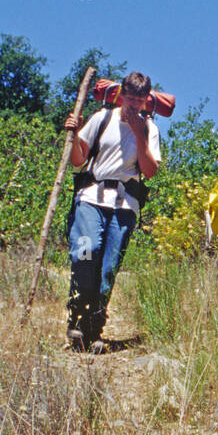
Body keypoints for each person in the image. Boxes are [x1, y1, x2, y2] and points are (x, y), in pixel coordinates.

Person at [62, 72, 162, 353]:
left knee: (107, 269)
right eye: (130, 99)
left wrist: (140, 135)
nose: (134, 105)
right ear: (121, 96)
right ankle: (77, 318)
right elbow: (79, 161)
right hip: (91, 197)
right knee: (86, 251)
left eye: (140, 101)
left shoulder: (150, 129)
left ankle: (94, 330)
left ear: (146, 101)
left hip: (125, 204)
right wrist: (75, 135)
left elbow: (150, 172)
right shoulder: (102, 118)